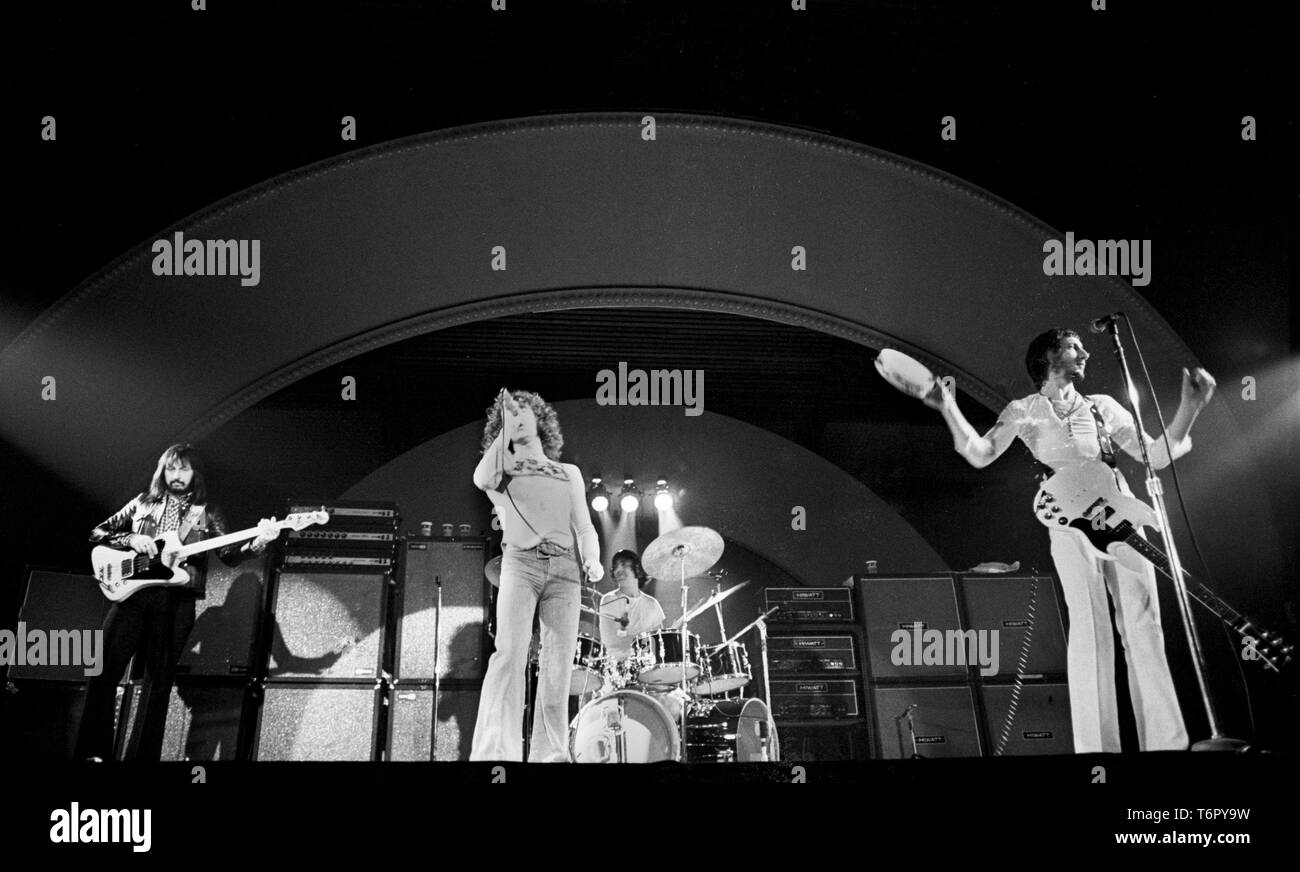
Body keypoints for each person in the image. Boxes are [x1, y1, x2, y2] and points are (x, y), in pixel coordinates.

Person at [922, 328, 1216, 753]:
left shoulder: (1103, 407)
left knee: (1144, 624)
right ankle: (1097, 752)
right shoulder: (1025, 410)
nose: (1085, 352)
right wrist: (948, 408)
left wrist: (1190, 408)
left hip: (1119, 513)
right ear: (1048, 355)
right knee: (1090, 628)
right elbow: (981, 452)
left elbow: (1152, 455)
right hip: (1068, 522)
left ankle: (1166, 747)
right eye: (1074, 346)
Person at [76, 443, 279, 761]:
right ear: (163, 471)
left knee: (158, 687)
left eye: (184, 468)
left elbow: (229, 556)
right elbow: (98, 532)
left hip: (175, 602)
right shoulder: (143, 503)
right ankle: (92, 754)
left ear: (195, 473)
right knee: (100, 671)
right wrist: (131, 539)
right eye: (172, 468)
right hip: (132, 596)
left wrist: (259, 542)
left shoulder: (208, 512)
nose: (177, 475)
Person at [469, 389, 604, 762]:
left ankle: (552, 756)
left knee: (558, 666)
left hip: (566, 571)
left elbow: (585, 527)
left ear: (541, 420)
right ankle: (496, 752)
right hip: (520, 564)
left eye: (526, 412)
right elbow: (481, 478)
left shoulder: (568, 473)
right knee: (509, 654)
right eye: (512, 415)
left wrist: (592, 558)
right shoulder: (502, 471)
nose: (520, 416)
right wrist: (504, 429)